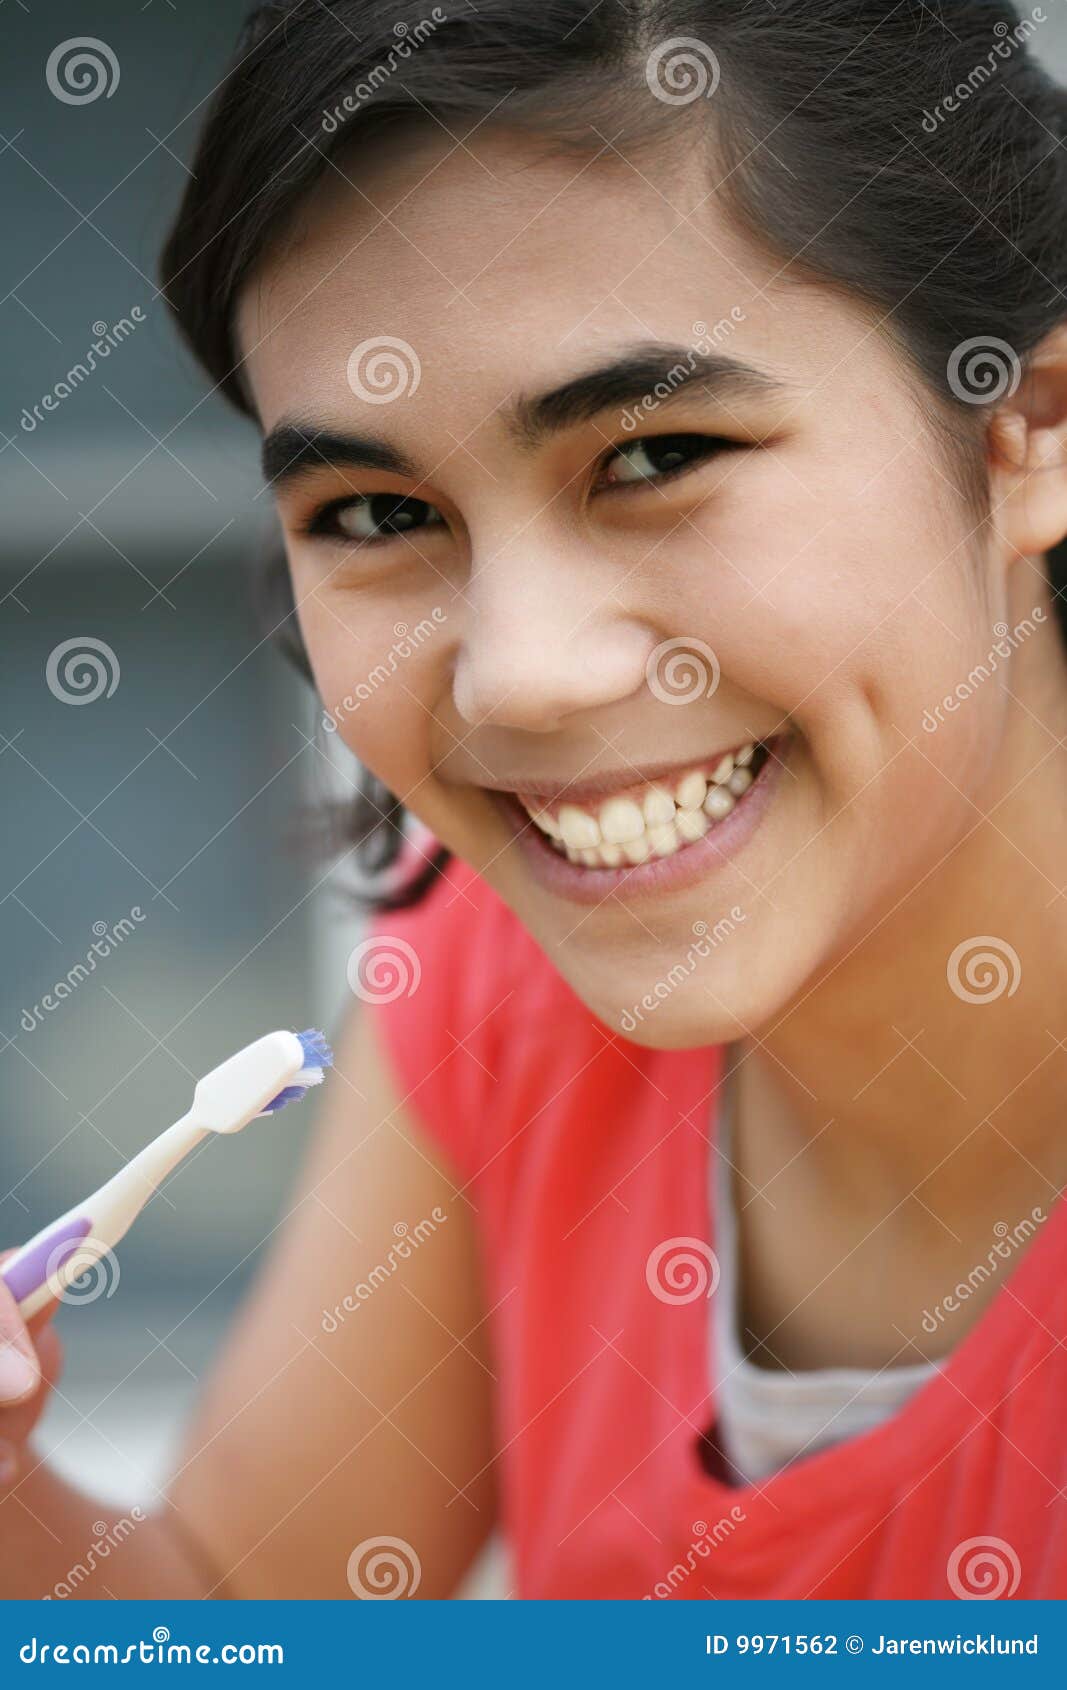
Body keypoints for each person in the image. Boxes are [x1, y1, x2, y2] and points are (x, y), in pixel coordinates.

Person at [3, 0, 1067, 1599]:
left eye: (652, 456)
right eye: (376, 508)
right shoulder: (509, 967)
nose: (518, 677)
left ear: (1026, 425)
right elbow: (247, 1610)